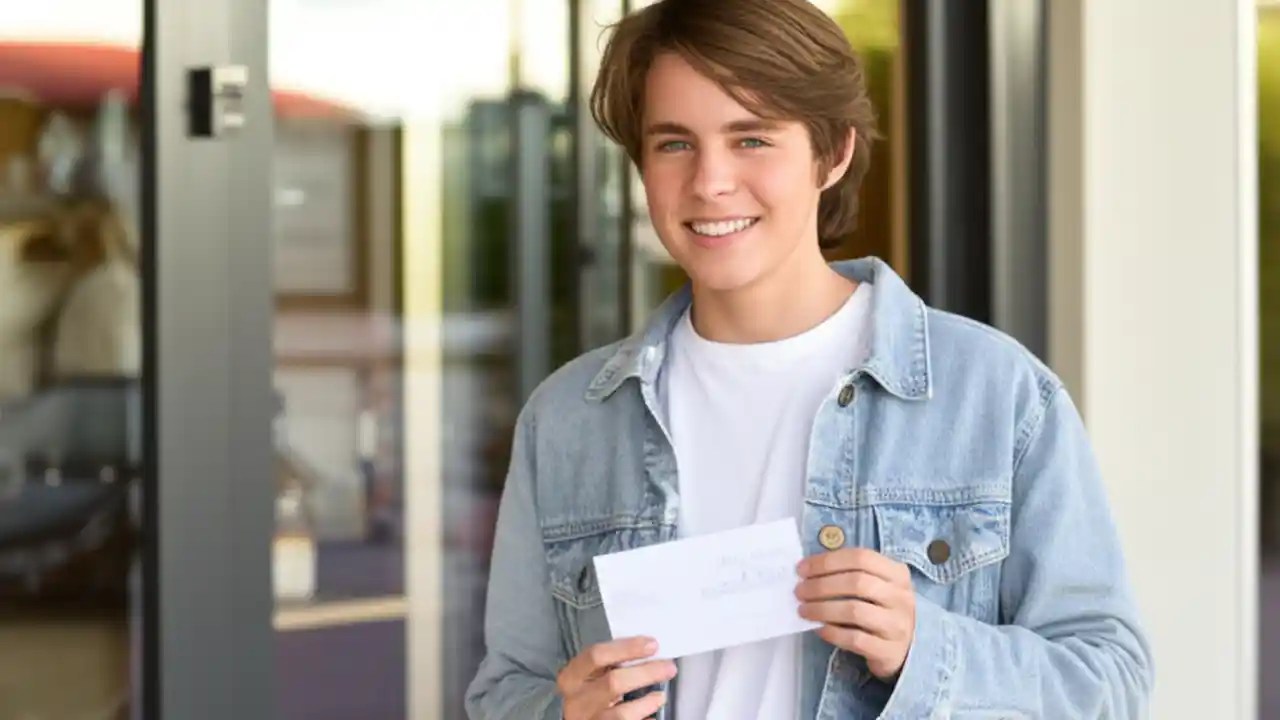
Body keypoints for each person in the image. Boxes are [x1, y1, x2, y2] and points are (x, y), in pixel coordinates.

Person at [465, 0, 1153, 717]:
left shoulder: (996, 395)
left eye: (752, 139)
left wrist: (927, 648)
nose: (709, 182)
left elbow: (1109, 682)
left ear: (834, 153)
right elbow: (506, 689)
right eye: (674, 144)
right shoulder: (568, 419)